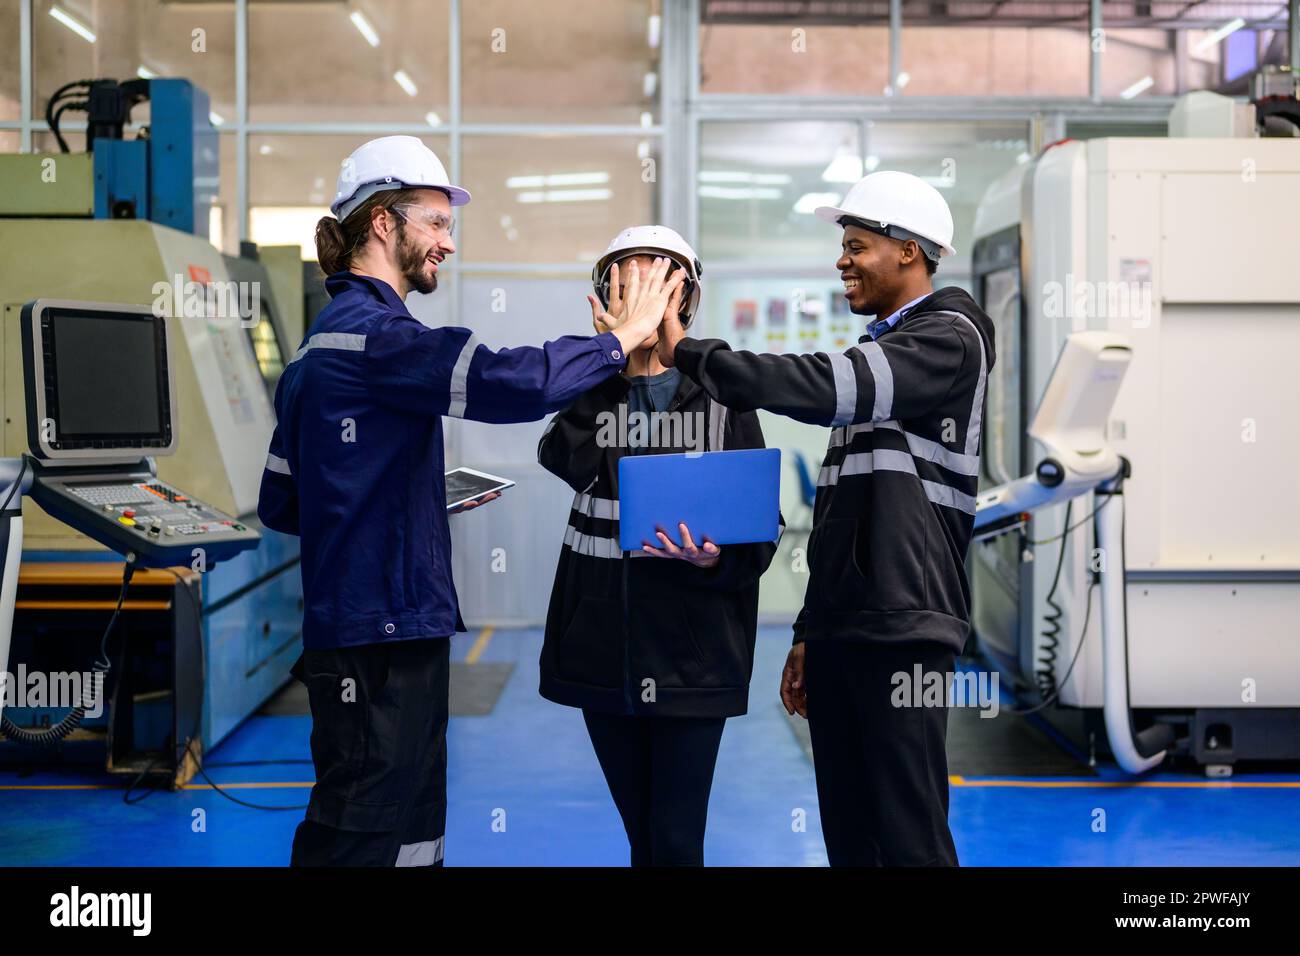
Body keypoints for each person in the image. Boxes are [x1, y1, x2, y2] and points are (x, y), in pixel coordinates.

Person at [257, 137, 683, 867]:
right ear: (385, 224)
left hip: (374, 628)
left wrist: (403, 499)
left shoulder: (313, 349)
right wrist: (619, 344)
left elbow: (284, 502)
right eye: (436, 223)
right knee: (357, 835)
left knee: (411, 833)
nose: (447, 244)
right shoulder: (379, 338)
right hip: (380, 635)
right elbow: (507, 382)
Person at [655, 171, 996, 867]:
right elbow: (841, 521)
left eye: (858, 244)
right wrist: (812, 632)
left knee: (907, 835)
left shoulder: (949, 339)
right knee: (852, 833)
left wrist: (685, 349)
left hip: (905, 626)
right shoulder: (886, 348)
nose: (843, 259)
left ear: (910, 251)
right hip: (850, 625)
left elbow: (822, 386)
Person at [536, 226, 780, 866]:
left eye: (657, 284)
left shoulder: (726, 390)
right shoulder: (595, 383)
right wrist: (608, 359)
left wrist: (715, 556)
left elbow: (760, 528)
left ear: (684, 299)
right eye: (627, 283)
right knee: (641, 836)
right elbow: (563, 457)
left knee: (675, 841)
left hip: (693, 651)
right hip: (601, 647)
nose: (641, 298)